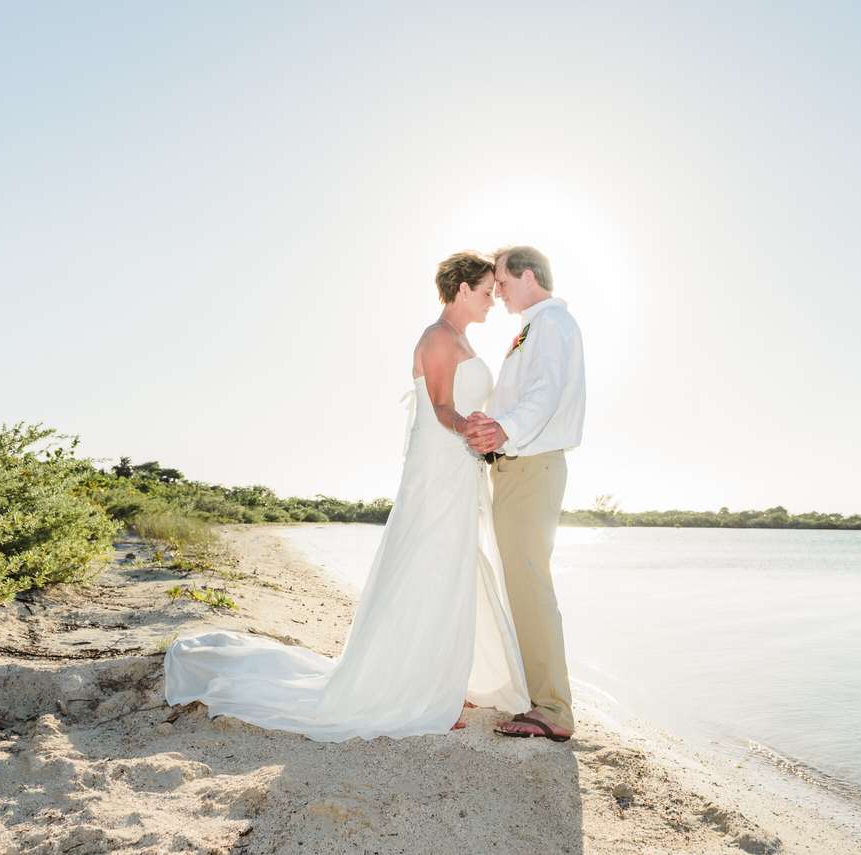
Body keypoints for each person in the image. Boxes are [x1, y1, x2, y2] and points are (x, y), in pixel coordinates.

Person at [162, 251, 530, 741]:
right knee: (429, 567)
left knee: (450, 567)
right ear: (463, 288)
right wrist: (472, 427)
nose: (492, 300)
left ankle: (440, 678)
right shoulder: (438, 337)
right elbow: (442, 409)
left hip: (457, 469)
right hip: (440, 464)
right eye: (487, 292)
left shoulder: (461, 337)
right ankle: (417, 689)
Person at [464, 245, 585, 742]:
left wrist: (502, 430)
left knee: (530, 584)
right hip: (515, 466)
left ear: (528, 275)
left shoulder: (552, 323)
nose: (499, 292)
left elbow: (546, 392)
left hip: (531, 464)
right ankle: (530, 692)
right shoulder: (534, 325)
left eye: (503, 283)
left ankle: (554, 707)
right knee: (519, 583)